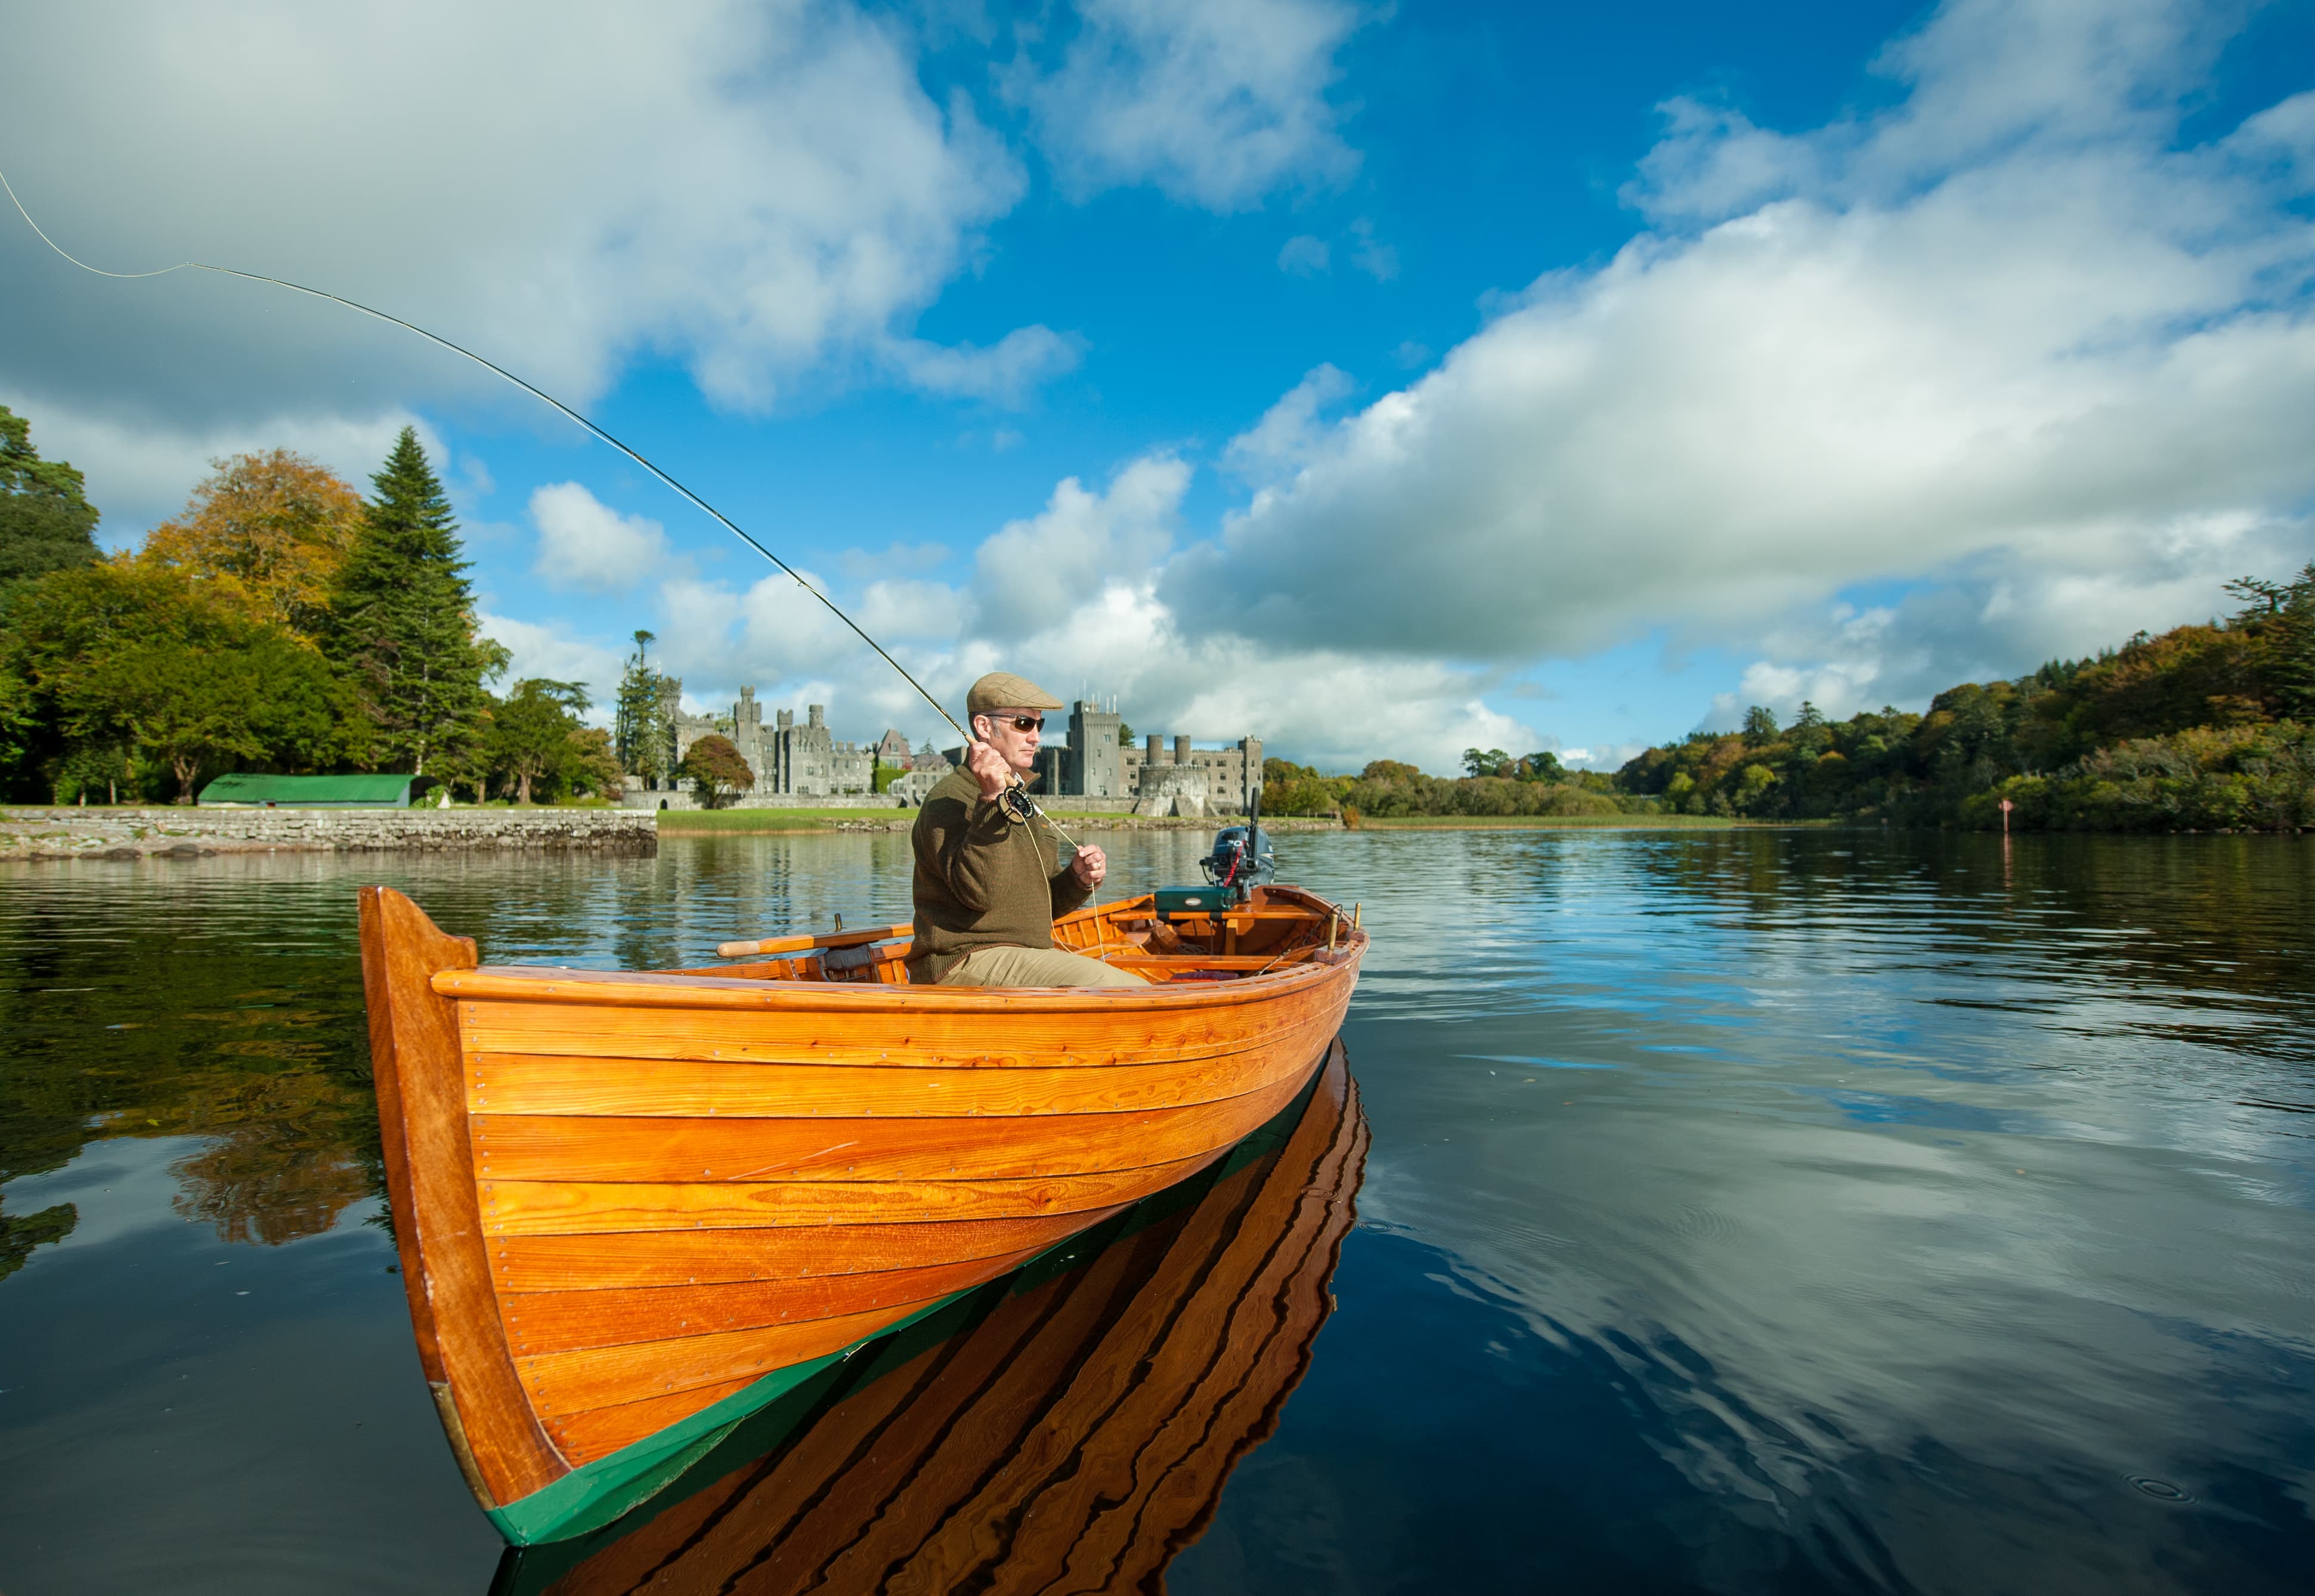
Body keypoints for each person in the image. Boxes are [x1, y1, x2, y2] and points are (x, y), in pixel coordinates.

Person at [908, 672, 1146, 987]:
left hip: (1024, 954)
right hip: (962, 960)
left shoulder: (1020, 799)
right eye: (1023, 723)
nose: (1035, 736)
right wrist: (991, 800)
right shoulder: (948, 800)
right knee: (1128, 991)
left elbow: (1043, 906)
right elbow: (980, 895)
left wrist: (1077, 879)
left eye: (1039, 724)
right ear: (983, 727)